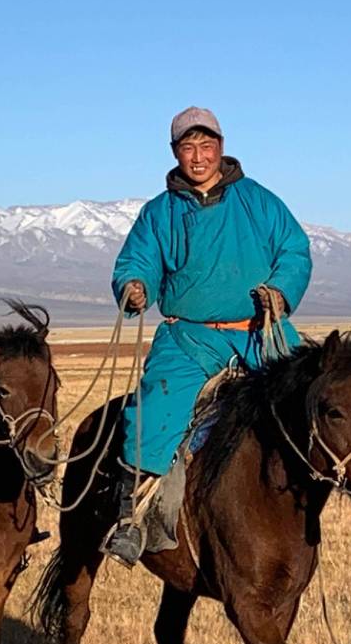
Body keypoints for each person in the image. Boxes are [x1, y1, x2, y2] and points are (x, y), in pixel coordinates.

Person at [102, 106, 313, 566]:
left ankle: (314, 504)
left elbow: (295, 250)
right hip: (188, 340)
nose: (198, 157)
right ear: (176, 152)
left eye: (206, 145)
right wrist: (135, 286)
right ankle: (133, 519)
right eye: (187, 147)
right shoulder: (159, 213)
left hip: (260, 331)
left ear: (221, 147)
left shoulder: (259, 202)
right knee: (153, 415)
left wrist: (280, 291)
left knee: (312, 404)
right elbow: (138, 260)